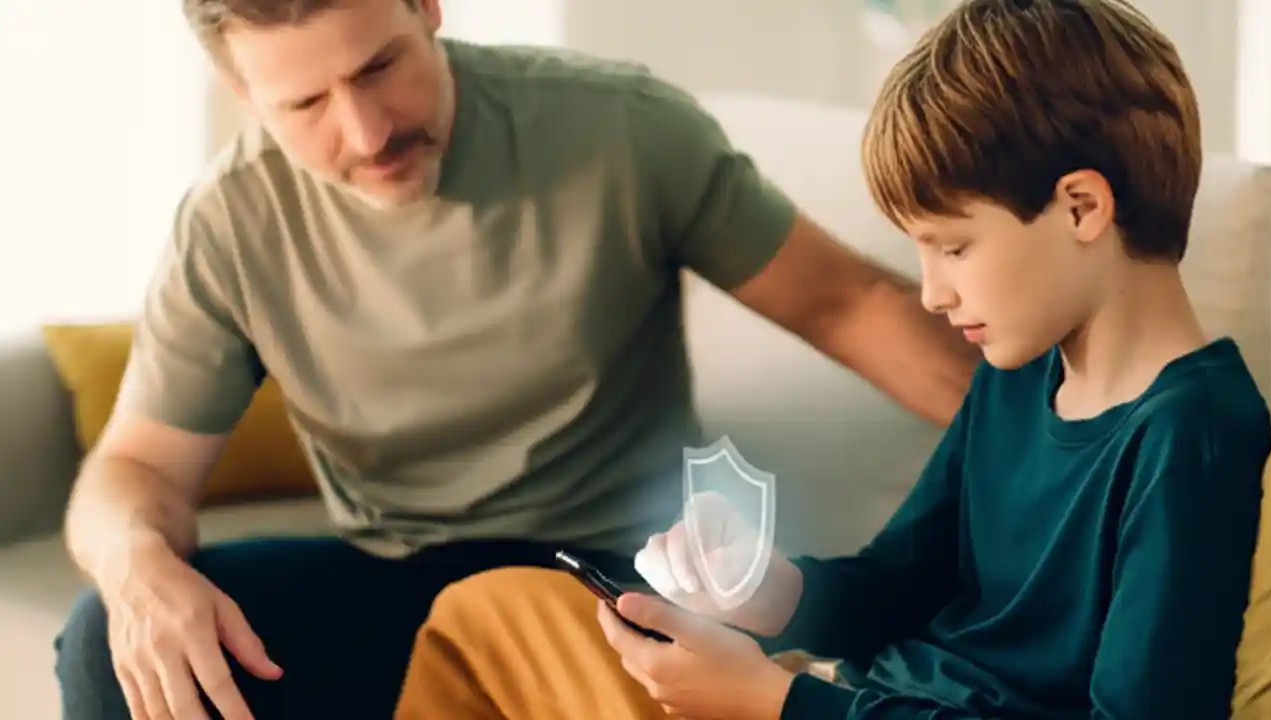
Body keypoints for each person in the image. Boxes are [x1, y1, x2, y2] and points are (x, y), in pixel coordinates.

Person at [51, 0, 977, 718]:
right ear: (241, 91)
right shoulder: (230, 221)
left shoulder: (621, 128)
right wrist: (135, 570)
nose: (367, 131)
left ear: (427, 6)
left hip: (614, 571)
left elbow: (847, 303)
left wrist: (1052, 431)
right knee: (108, 639)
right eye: (306, 104)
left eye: (379, 67)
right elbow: (135, 471)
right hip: (391, 573)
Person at [393, 0, 1271, 718]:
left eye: (954, 247)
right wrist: (762, 592)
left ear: (1082, 208)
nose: (932, 294)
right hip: (842, 695)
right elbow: (897, 582)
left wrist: (773, 705)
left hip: (824, 707)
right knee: (483, 618)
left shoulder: (1194, 434)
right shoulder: (1019, 374)